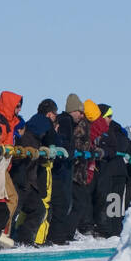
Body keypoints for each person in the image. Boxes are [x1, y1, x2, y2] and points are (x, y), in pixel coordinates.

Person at [10, 98, 57, 246]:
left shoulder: (30, 129)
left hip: (27, 178)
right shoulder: (42, 125)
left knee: (35, 208)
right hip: (24, 179)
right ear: (50, 114)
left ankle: (22, 238)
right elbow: (52, 139)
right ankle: (16, 237)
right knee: (17, 209)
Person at [47, 93, 91, 244]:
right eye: (80, 112)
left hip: (64, 167)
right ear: (73, 110)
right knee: (62, 202)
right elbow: (63, 141)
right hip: (62, 169)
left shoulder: (67, 121)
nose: (81, 115)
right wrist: (69, 153)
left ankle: (59, 235)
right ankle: (58, 236)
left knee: (66, 202)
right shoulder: (66, 121)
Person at [90, 104, 131, 238]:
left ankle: (107, 229)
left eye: (110, 116)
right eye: (108, 116)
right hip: (119, 170)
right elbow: (128, 145)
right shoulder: (118, 128)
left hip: (109, 169)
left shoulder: (104, 129)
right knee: (115, 200)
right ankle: (114, 229)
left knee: (108, 199)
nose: (109, 119)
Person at [0, 91, 24, 248]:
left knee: (8, 199)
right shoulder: (1, 123)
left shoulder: (13, 123)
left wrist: (18, 151)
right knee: (10, 198)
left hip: (5, 166)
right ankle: (0, 234)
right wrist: (4, 149)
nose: (19, 110)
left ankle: (2, 233)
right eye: (17, 106)